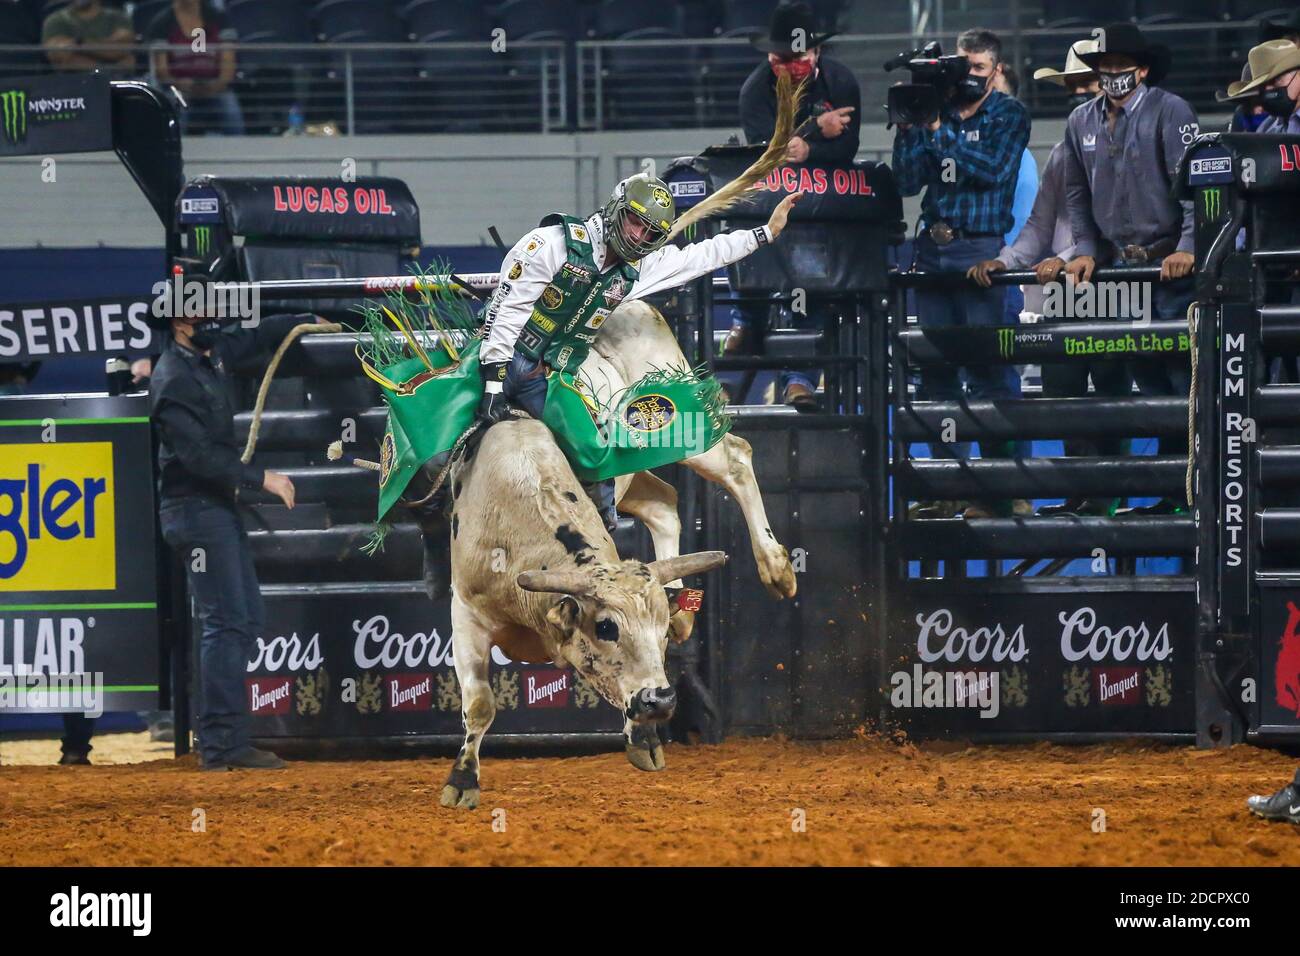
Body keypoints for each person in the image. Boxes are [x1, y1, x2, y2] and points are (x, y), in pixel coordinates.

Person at [151, 305, 323, 770]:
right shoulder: (172, 382)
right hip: (195, 514)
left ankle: (224, 739)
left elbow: (262, 334)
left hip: (214, 510)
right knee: (227, 621)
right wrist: (260, 477)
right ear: (180, 324)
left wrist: (309, 320)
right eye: (204, 314)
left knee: (241, 619)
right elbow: (199, 457)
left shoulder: (213, 354)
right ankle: (222, 744)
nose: (215, 321)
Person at [969, 39, 1123, 519]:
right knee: (1063, 393)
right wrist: (1008, 259)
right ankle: (1085, 491)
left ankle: (1108, 494)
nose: (1079, 92)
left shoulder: (1122, 148)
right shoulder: (1063, 152)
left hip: (1113, 283)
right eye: (1073, 85)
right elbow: (1038, 225)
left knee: (1113, 395)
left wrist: (1071, 254)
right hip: (1065, 289)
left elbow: (1122, 222)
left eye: (1086, 83)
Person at [892, 27, 1032, 520]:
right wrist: (912, 124)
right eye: (962, 67)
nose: (968, 76)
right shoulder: (938, 109)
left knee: (992, 371)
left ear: (996, 70)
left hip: (981, 250)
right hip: (933, 248)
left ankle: (1004, 490)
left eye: (977, 68)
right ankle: (946, 485)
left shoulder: (1009, 113)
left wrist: (935, 130)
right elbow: (907, 181)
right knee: (936, 373)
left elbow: (990, 168)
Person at [1061, 23, 1199, 518]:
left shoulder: (1171, 110)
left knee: (1182, 383)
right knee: (1151, 382)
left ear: (1141, 70)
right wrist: (1085, 249)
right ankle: (1173, 493)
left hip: (1170, 266)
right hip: (1123, 267)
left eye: (1123, 67)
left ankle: (1190, 494)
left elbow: (1195, 187)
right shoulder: (1082, 121)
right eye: (1107, 66)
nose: (1113, 74)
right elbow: (1077, 194)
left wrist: (1187, 246)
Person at [726, 1, 859, 410]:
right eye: (779, 58)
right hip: (769, 200)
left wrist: (807, 148)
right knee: (747, 244)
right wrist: (817, 129)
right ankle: (745, 322)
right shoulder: (755, 89)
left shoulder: (841, 81)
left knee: (811, 287)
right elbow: (770, 150)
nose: (787, 66)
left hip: (820, 206)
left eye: (795, 58)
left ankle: (798, 378)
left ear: (815, 53)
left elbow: (847, 147)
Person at [148, 0, 243, 136]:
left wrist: (216, 86)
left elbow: (228, 63)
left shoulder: (219, 18)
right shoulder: (162, 22)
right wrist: (182, 85)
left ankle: (238, 152)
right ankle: (177, 151)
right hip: (178, 89)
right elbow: (162, 71)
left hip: (216, 88)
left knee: (230, 108)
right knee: (177, 107)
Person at [42, 0, 135, 75]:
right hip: (71, 87)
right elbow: (60, 56)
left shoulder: (118, 18)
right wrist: (110, 66)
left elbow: (121, 48)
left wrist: (78, 44)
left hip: (120, 86)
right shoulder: (55, 20)